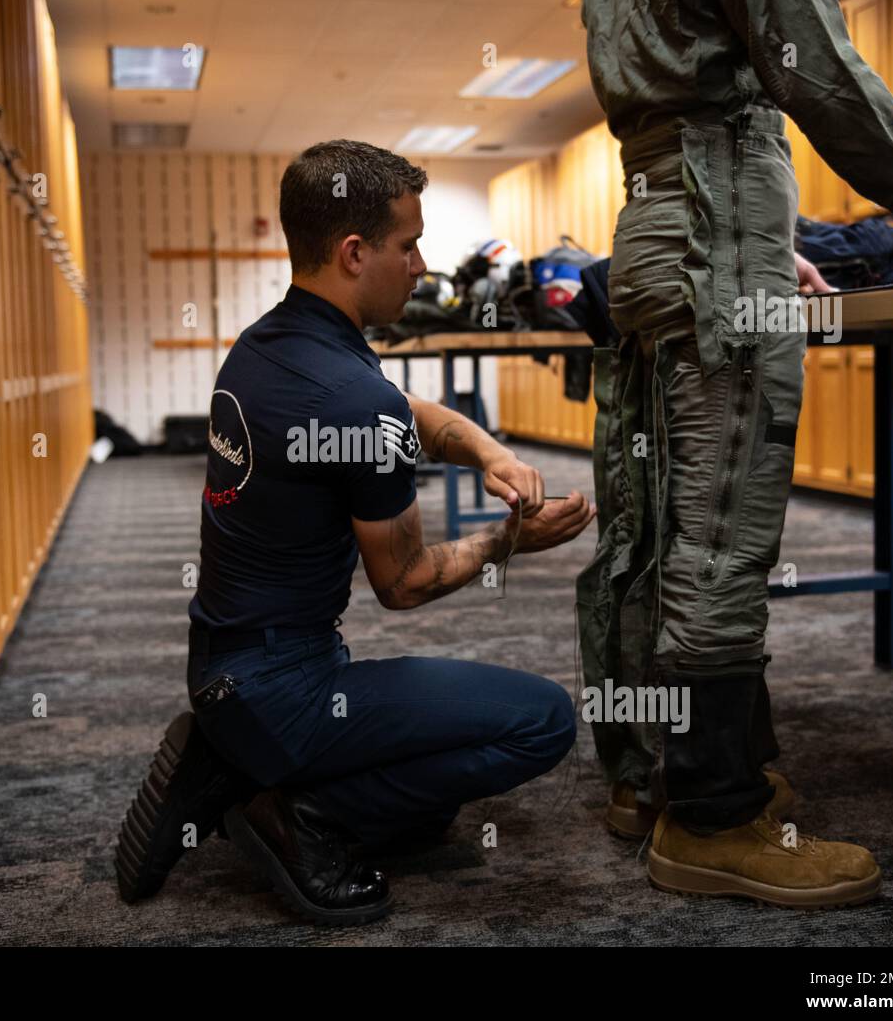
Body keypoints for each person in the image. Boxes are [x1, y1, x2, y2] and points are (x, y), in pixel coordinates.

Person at [578, 0, 893, 908]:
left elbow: (682, 105)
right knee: (724, 530)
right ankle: (714, 816)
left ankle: (649, 776)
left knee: (657, 520)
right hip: (713, 247)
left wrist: (771, 238)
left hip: (661, 232)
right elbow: (824, 72)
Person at [114, 139, 596, 926]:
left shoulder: (265, 347)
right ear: (352, 251)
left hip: (224, 666)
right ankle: (298, 812)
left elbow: (410, 411)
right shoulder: (351, 401)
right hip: (289, 691)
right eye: (407, 245)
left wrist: (488, 449)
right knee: (542, 719)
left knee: (429, 814)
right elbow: (402, 583)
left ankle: (237, 757)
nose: (420, 264)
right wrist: (505, 543)